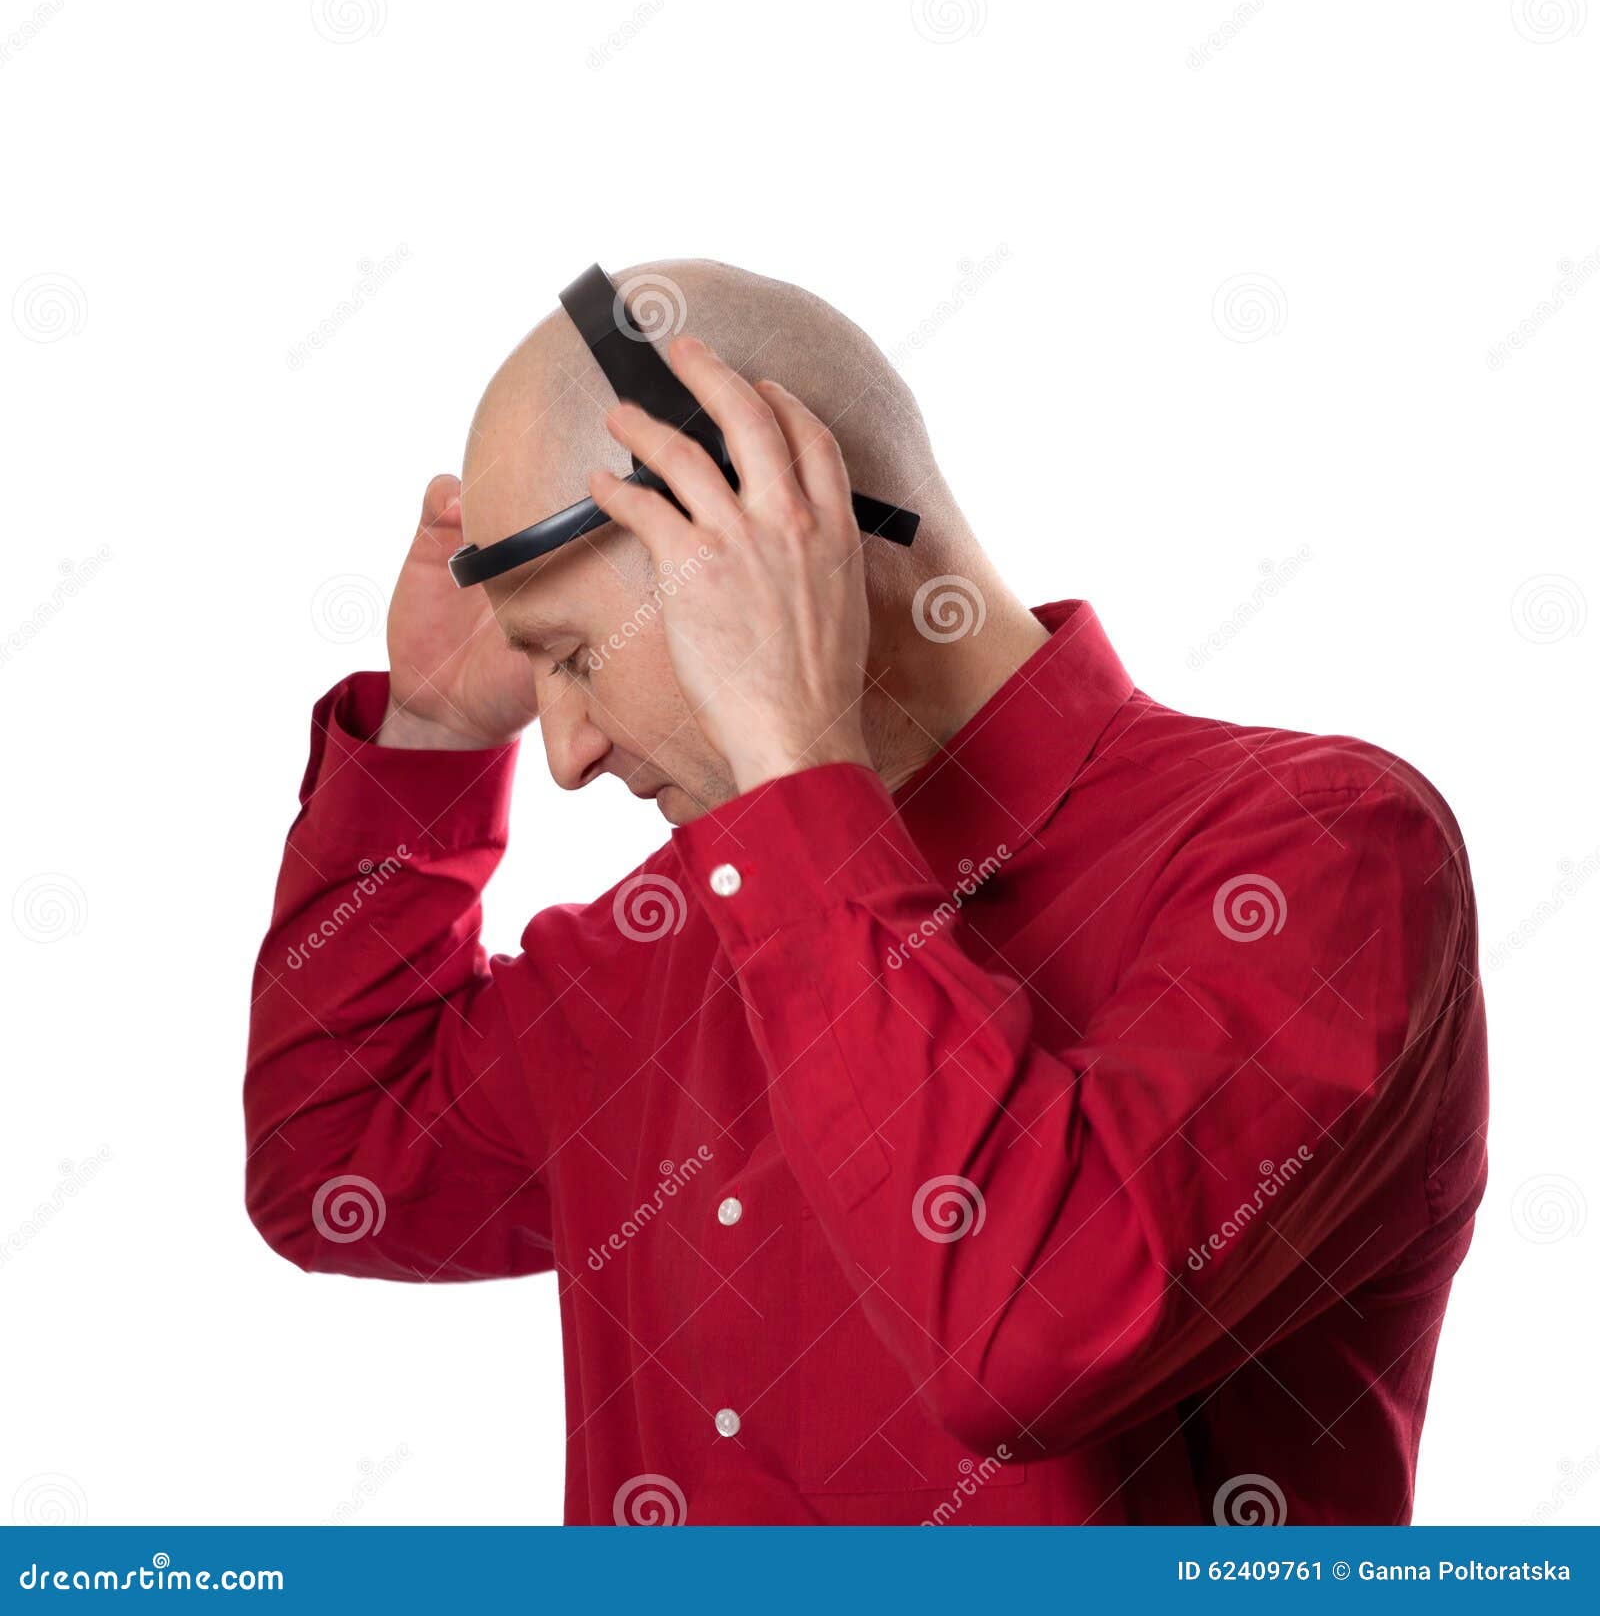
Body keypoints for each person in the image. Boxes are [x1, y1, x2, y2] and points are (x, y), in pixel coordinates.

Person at [246, 258, 1488, 1525]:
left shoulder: (1323, 859)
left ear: (763, 531)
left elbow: (1026, 1340)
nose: (560, 756)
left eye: (572, 656)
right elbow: (336, 1161)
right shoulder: (677, 927)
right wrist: (438, 729)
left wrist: (793, 758)